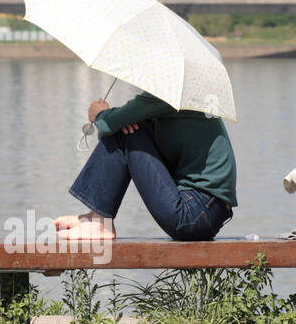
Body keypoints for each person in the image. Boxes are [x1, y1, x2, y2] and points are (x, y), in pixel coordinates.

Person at [56, 91, 237, 241]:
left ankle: (99, 222)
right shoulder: (187, 96)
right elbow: (128, 120)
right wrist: (120, 122)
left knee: (124, 132)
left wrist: (100, 114)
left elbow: (110, 123)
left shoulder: (167, 94)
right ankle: (97, 217)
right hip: (204, 213)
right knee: (131, 128)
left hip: (193, 214)